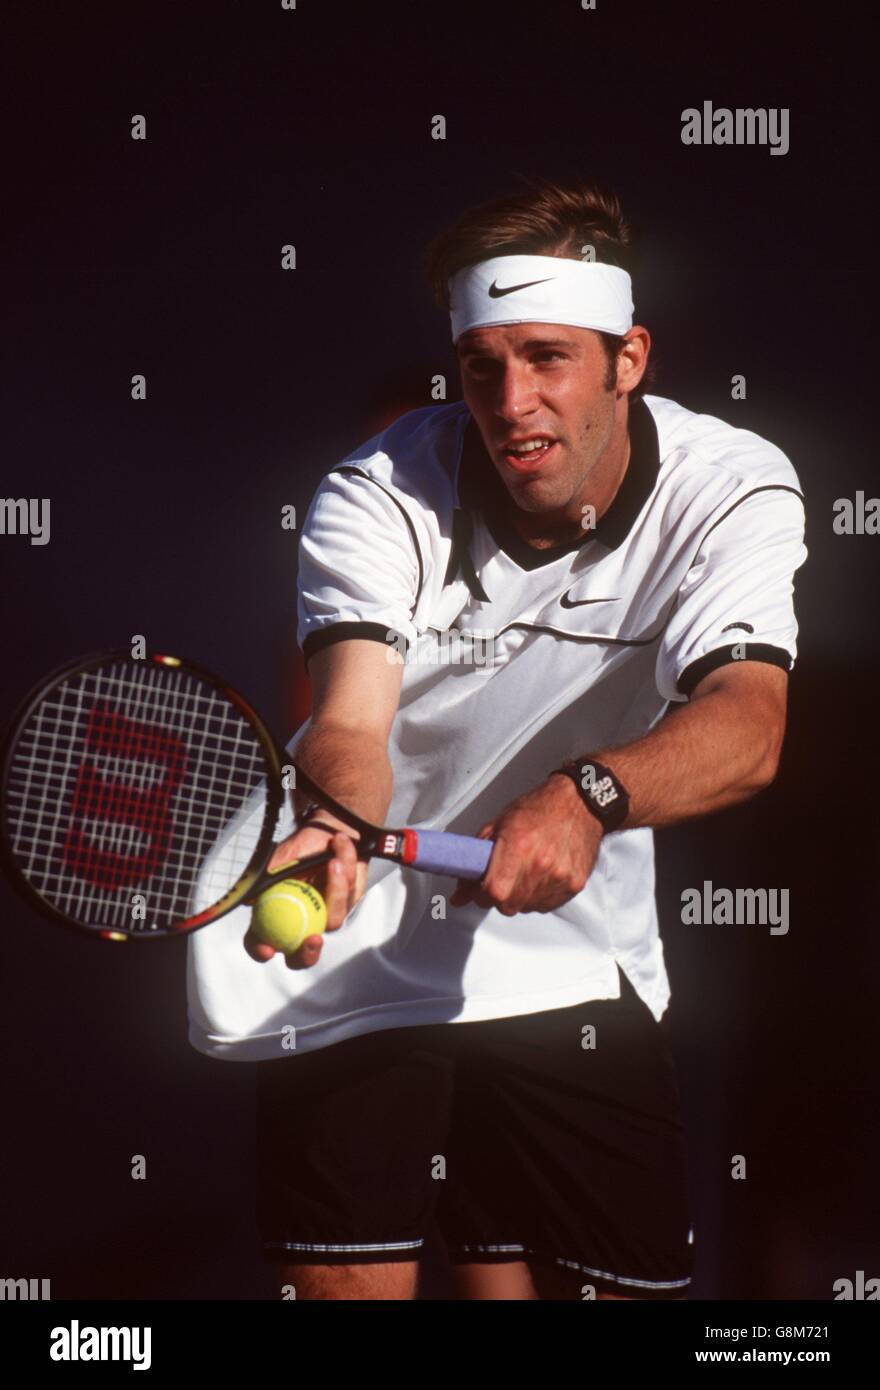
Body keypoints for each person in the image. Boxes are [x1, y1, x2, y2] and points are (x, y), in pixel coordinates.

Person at [186, 176, 807, 1300]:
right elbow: (353, 718)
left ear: (629, 359)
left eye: (548, 358)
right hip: (355, 931)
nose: (511, 399)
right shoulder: (375, 492)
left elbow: (749, 728)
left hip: (571, 943)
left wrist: (586, 796)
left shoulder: (731, 488)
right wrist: (334, 821)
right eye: (483, 366)